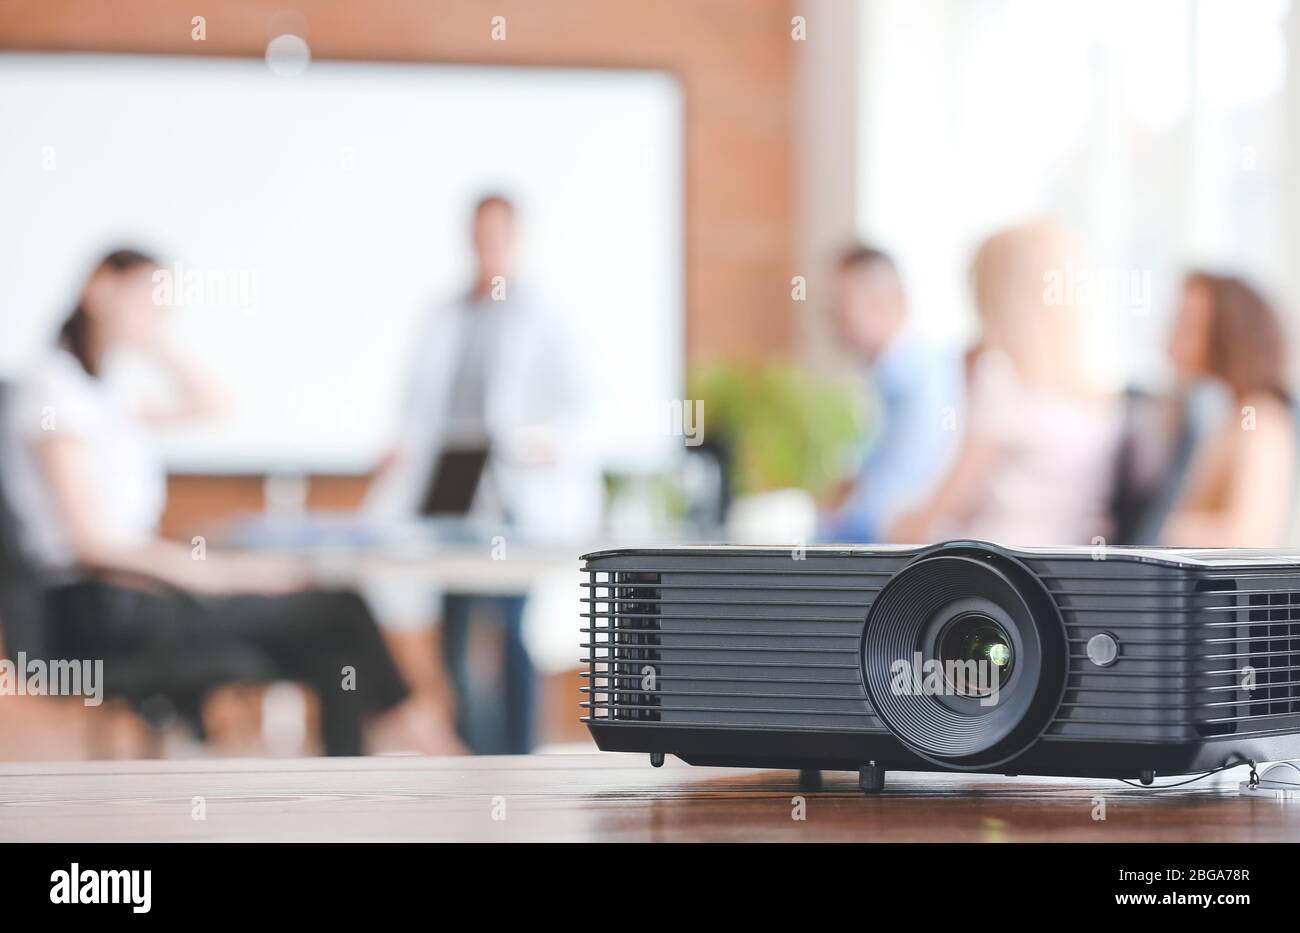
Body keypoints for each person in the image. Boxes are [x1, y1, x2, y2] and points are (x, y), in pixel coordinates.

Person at [0, 248, 432, 755]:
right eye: (146, 299)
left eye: (163, 306)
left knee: (334, 635)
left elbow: (213, 404)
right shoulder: (54, 392)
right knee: (338, 613)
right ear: (100, 289)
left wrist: (157, 344)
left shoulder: (106, 393)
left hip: (140, 599)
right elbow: (91, 543)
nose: (155, 315)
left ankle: (355, 782)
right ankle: (417, 737)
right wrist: (219, 574)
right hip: (99, 613)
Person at [367, 194, 599, 753]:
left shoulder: (545, 314)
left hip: (514, 486)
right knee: (455, 627)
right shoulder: (445, 312)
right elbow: (419, 401)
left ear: (516, 239)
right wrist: (399, 448)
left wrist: (542, 441)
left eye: (498, 235)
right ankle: (470, 753)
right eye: (479, 235)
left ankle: (516, 754)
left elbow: (579, 407)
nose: (487, 246)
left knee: (512, 629)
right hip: (452, 479)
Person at [888, 222, 1123, 546]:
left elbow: (948, 506)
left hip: (995, 573)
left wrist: (896, 525)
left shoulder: (1000, 376)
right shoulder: (1097, 396)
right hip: (1068, 567)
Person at [820, 245, 963, 542]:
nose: (833, 318)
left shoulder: (923, 377)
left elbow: (896, 495)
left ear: (880, 303)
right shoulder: (887, 376)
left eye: (842, 302)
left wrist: (824, 524)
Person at [1160, 272, 1296, 547]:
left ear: (1228, 334)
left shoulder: (1261, 420)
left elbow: (1247, 535)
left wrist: (1155, 526)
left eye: (1186, 324)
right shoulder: (1223, 417)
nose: (1170, 338)